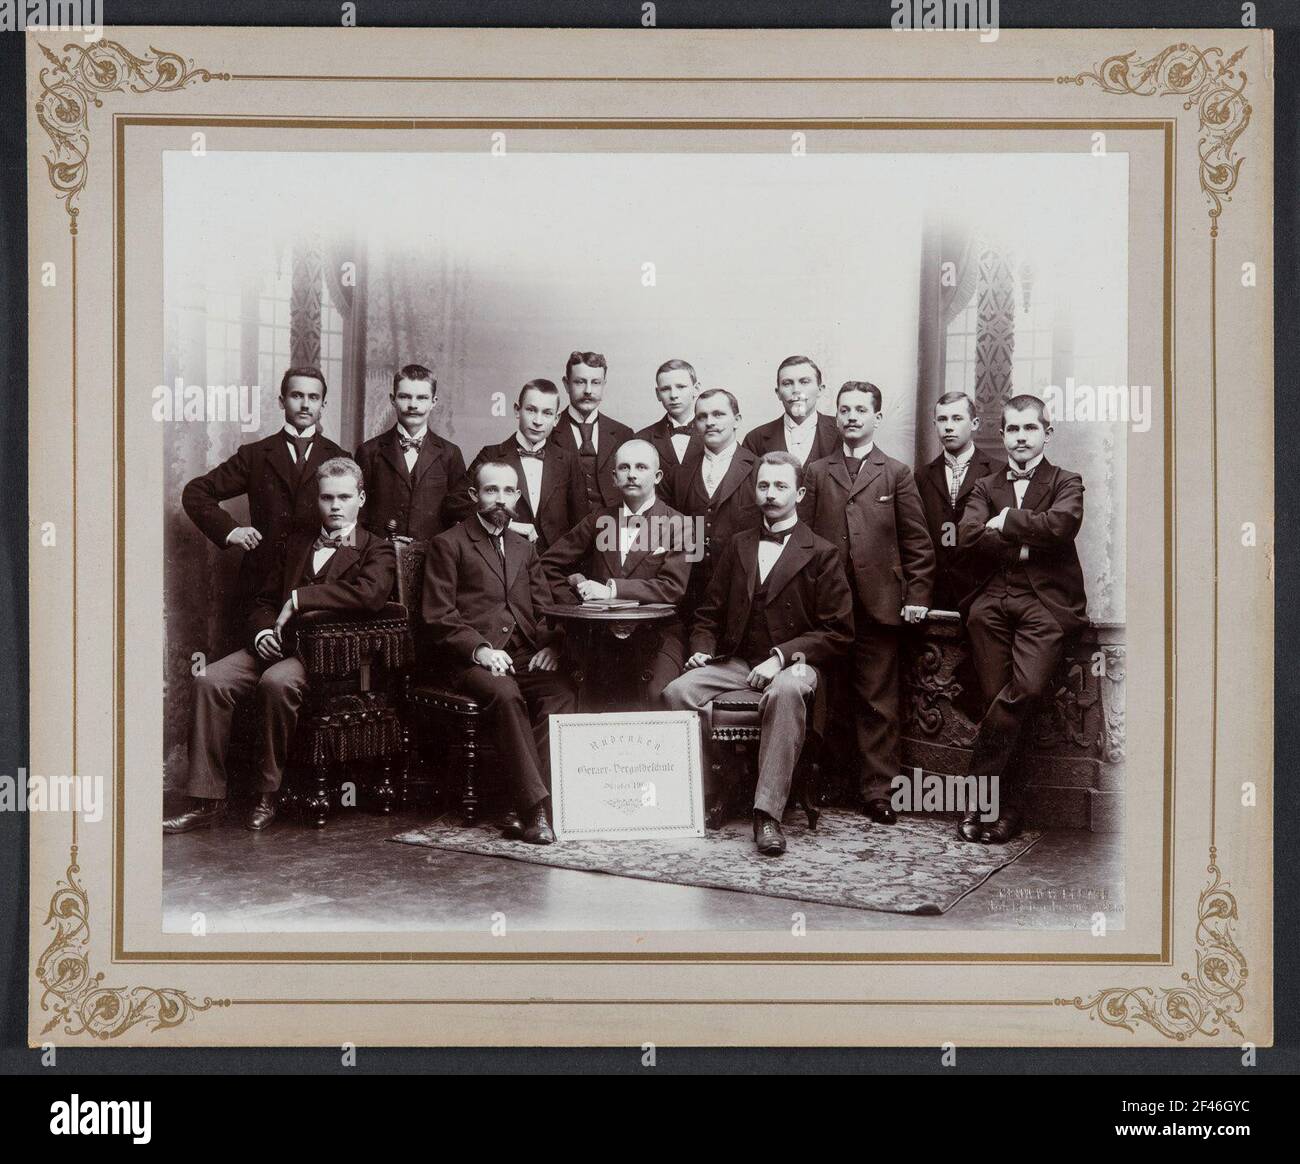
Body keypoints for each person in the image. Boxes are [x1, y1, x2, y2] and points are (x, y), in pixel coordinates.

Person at [164, 457, 396, 834]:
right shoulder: (296, 542)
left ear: (361, 498)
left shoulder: (376, 548)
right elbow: (263, 599)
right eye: (326, 498)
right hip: (275, 644)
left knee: (277, 683)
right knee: (209, 679)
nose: (335, 506)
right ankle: (205, 800)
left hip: (327, 657)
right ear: (317, 500)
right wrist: (261, 633)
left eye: (344, 497)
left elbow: (369, 595)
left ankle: (266, 794)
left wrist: (302, 599)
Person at [663, 452, 852, 854]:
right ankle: (717, 788)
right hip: (736, 661)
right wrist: (701, 650)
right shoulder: (739, 545)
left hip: (799, 664)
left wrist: (782, 657)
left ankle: (767, 814)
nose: (770, 494)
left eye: (781, 486)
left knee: (785, 691)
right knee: (678, 692)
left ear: (799, 492)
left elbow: (838, 631)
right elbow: (708, 613)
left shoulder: (820, 552)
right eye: (763, 485)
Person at [420, 460, 577, 844]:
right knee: (506, 695)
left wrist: (552, 645)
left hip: (522, 654)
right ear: (475, 496)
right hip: (468, 661)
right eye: (491, 491)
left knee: (562, 693)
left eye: (508, 492)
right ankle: (533, 810)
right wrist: (481, 650)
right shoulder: (449, 543)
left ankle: (523, 799)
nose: (500, 500)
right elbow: (438, 617)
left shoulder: (524, 548)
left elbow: (543, 608)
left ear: (518, 498)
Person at [800, 381, 935, 825]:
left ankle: (879, 791)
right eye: (844, 409)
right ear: (835, 417)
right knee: (826, 695)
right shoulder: (817, 471)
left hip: (879, 605)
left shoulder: (895, 472)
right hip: (827, 606)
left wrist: (915, 596)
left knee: (878, 699)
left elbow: (917, 541)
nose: (852, 416)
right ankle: (824, 784)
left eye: (861, 409)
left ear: (877, 417)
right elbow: (803, 541)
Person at [956, 395, 1088, 844]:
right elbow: (969, 535)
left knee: (1023, 694)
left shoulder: (1067, 480)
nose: (1020, 438)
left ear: (1046, 433)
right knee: (1001, 700)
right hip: (992, 601)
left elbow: (1062, 526)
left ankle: (978, 797)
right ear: (1002, 434)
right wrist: (1028, 537)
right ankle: (1005, 813)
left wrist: (1007, 519)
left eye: (1029, 428)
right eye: (1012, 429)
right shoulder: (984, 484)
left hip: (1044, 603)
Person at [182, 366, 346, 613]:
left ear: (323, 404)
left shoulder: (340, 457)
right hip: (260, 582)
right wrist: (232, 530)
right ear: (282, 401)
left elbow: (354, 525)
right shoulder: (255, 455)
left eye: (313, 397)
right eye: (296, 395)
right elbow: (196, 492)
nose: (305, 404)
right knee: (256, 648)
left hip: (317, 580)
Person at [541, 439, 692, 704]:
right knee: (587, 696)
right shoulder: (598, 520)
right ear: (614, 477)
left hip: (656, 635)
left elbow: (673, 588)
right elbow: (547, 564)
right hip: (599, 634)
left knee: (656, 695)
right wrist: (577, 593)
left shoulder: (683, 525)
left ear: (657, 476)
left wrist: (610, 590)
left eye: (641, 467)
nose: (632, 474)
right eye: (624, 467)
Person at [455, 379, 590, 554]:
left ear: (556, 418)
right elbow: (455, 504)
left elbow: (581, 522)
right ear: (517, 411)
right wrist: (507, 524)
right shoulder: (492, 455)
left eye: (547, 413)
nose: (538, 421)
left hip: (555, 566)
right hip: (503, 561)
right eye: (531, 410)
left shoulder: (569, 460)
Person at [662, 387, 760, 620]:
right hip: (691, 590)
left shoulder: (758, 470)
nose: (710, 422)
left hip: (742, 588)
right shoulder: (679, 474)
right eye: (702, 416)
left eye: (718, 414)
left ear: (737, 420)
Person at [354, 363, 468, 542]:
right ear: (393, 399)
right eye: (405, 397)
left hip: (433, 558)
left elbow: (457, 514)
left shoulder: (450, 454)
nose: (413, 405)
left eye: (422, 398)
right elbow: (358, 515)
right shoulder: (369, 451)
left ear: (434, 402)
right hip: (379, 556)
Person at [916, 391, 1006, 612]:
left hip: (982, 591)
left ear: (974, 423)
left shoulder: (997, 471)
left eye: (957, 418)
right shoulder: (922, 476)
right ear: (935, 424)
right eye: (942, 419)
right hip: (936, 591)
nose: (949, 426)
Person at [547, 350, 634, 508]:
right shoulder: (548, 433)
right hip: (565, 530)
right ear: (566, 384)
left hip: (614, 527)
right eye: (580, 382)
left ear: (604, 385)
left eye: (595, 382)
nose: (588, 390)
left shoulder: (624, 434)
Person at [741, 354, 840, 467]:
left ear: (820, 390)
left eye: (804, 382)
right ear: (778, 393)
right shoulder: (755, 439)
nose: (796, 390)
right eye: (787, 383)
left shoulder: (841, 432)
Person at [635, 358, 703, 470]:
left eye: (681, 387)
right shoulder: (642, 439)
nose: (673, 395)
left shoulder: (714, 434)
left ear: (696, 389)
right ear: (658, 394)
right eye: (665, 389)